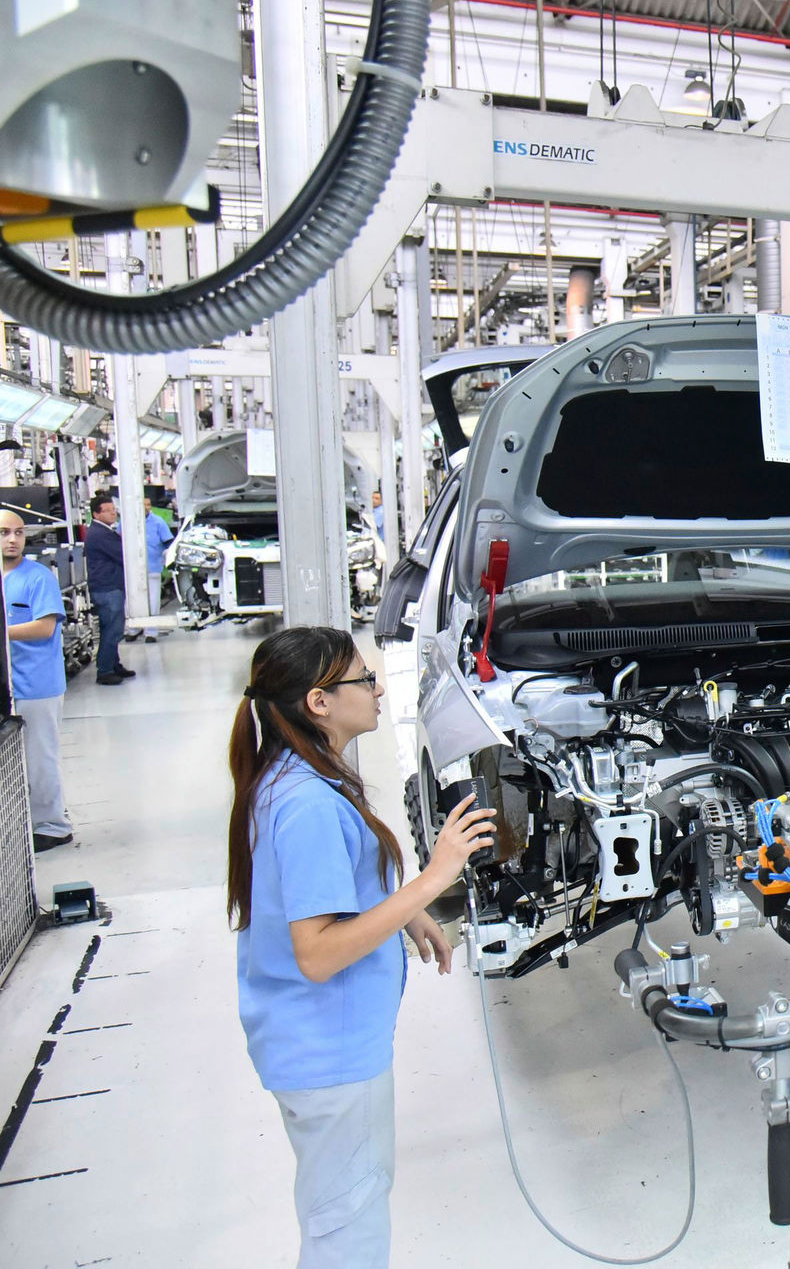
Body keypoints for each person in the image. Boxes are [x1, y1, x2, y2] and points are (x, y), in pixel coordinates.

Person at [230, 626, 495, 1269]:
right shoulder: (307, 804)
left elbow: (327, 887)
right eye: (363, 679)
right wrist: (436, 878)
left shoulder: (297, 774)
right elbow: (317, 954)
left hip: (314, 1043)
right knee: (346, 1231)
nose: (378, 689)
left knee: (343, 1211)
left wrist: (407, 911)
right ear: (319, 702)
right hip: (328, 1055)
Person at [2, 511, 70, 851]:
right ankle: (26, 821)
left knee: (40, 757)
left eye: (18, 533)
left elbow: (45, 627)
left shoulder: (38, 577)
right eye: (4, 533)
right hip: (8, 684)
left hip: (38, 685)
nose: (12, 540)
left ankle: (53, 826)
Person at [84, 491, 132, 686]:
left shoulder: (104, 531)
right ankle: (104, 670)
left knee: (110, 628)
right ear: (96, 514)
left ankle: (114, 665)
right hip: (107, 588)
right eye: (108, 511)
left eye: (114, 510)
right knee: (112, 629)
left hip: (109, 586)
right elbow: (122, 553)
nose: (113, 514)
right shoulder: (100, 533)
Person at [142, 494, 174, 634]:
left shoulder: (158, 522)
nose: (146, 507)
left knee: (153, 601)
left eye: (149, 504)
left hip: (153, 566)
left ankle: (151, 632)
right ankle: (132, 630)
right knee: (131, 602)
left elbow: (168, 542)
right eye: (144, 504)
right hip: (133, 569)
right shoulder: (127, 521)